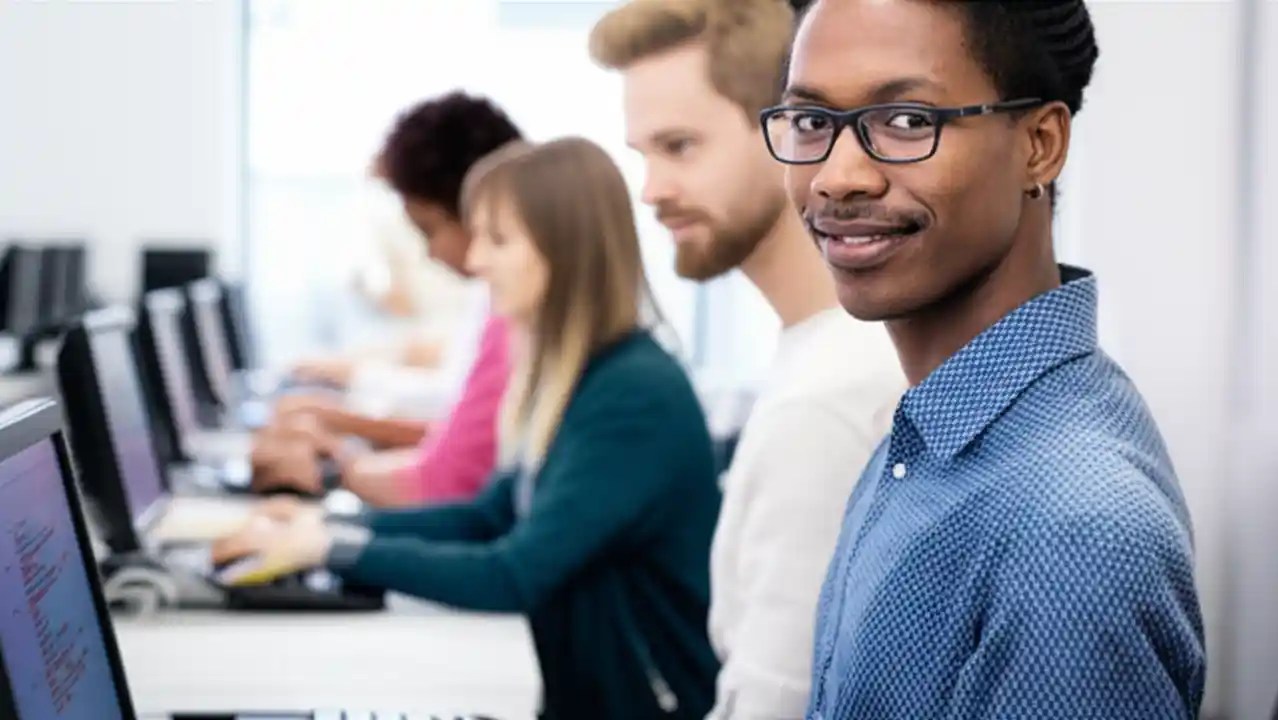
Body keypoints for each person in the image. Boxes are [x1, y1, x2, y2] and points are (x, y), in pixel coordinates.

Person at [769, 1, 1205, 717]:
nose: (836, 176)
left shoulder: (1073, 529)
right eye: (813, 123)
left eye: (908, 120)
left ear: (1040, 145)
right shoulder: (936, 436)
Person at [213, 137, 723, 719]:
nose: (475, 261)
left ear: (565, 251)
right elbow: (487, 516)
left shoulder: (633, 394)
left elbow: (515, 574)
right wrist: (325, 524)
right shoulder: (577, 378)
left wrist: (330, 547)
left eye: (498, 240)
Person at [589, 1, 905, 717]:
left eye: (680, 146)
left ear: (794, 133)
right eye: (643, 155)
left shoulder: (826, 396)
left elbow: (778, 701)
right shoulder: (820, 355)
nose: (651, 191)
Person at [252, 92, 521, 507]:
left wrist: (334, 461)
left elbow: (455, 467)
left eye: (430, 230)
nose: (430, 253)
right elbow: (461, 430)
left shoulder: (516, 310)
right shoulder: (498, 301)